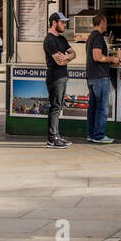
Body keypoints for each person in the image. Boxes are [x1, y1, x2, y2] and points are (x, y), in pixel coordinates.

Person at [84, 12, 120, 144]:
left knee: (93, 107)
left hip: (91, 76)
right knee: (102, 107)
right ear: (102, 22)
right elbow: (97, 57)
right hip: (99, 76)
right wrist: (112, 59)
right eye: (105, 22)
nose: (107, 25)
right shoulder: (98, 37)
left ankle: (91, 134)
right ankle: (98, 135)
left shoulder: (91, 37)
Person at [43, 12, 77, 148]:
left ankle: (56, 136)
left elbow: (74, 53)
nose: (64, 24)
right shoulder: (49, 40)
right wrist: (67, 58)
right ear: (54, 23)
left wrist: (67, 57)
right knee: (55, 107)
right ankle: (52, 139)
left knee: (58, 107)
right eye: (62, 22)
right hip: (55, 77)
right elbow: (58, 61)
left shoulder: (62, 39)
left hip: (62, 77)